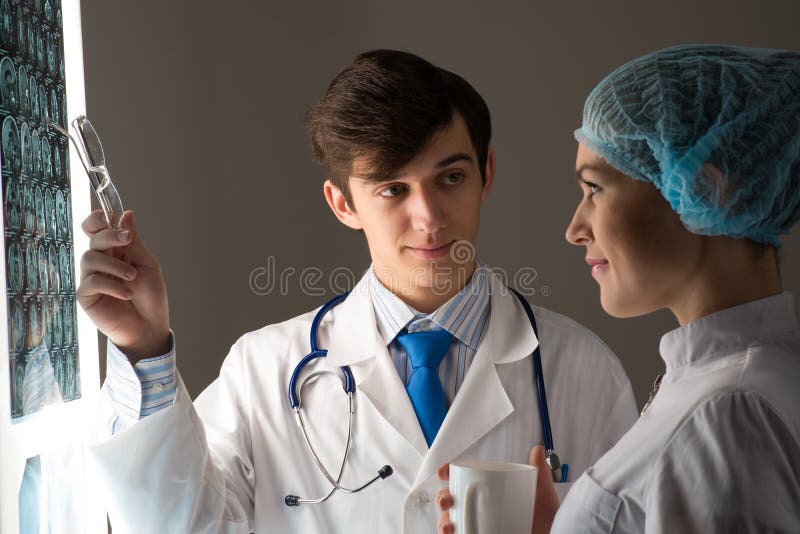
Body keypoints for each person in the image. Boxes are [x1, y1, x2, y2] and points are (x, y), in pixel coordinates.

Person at [80, 50, 637, 533]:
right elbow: (173, 526)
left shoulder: (582, 369)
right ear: (343, 203)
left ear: (486, 173)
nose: (428, 218)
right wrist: (144, 344)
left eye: (451, 178)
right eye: (393, 189)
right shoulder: (265, 371)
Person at [437, 44, 800, 533]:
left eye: (595, 189)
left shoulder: (726, 415)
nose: (574, 228)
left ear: (706, 188)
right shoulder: (733, 381)